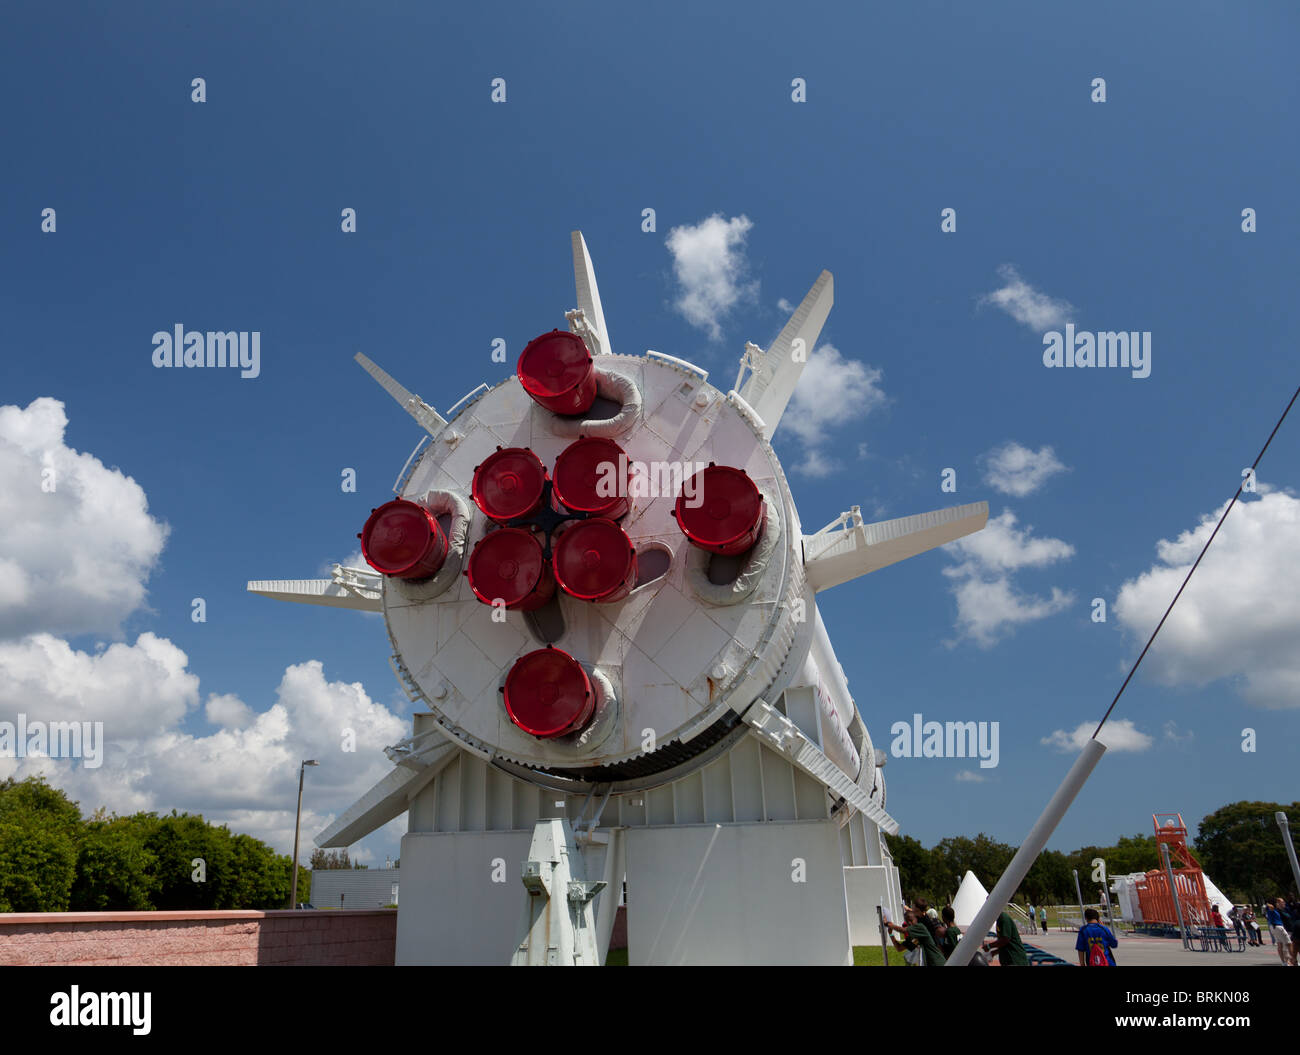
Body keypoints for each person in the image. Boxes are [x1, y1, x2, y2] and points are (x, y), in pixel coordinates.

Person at [1266, 899, 1295, 966]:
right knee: (1289, 943)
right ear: (1277, 903)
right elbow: (1270, 906)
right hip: (1278, 926)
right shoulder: (1272, 909)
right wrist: (1272, 903)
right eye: (1281, 902)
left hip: (1275, 927)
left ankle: (1284, 962)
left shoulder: (1276, 910)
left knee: (1280, 944)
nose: (1283, 903)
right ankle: (1294, 961)